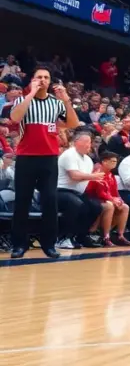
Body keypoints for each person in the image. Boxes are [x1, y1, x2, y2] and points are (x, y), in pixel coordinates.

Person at [8, 68, 79, 258]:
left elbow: (73, 123)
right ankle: (19, 245)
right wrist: (31, 93)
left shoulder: (56, 103)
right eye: (39, 77)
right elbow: (15, 118)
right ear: (32, 80)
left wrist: (66, 100)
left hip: (49, 158)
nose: (42, 80)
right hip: (26, 157)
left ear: (50, 81)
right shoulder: (22, 100)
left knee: (50, 201)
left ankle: (49, 245)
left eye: (46, 77)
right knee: (22, 202)